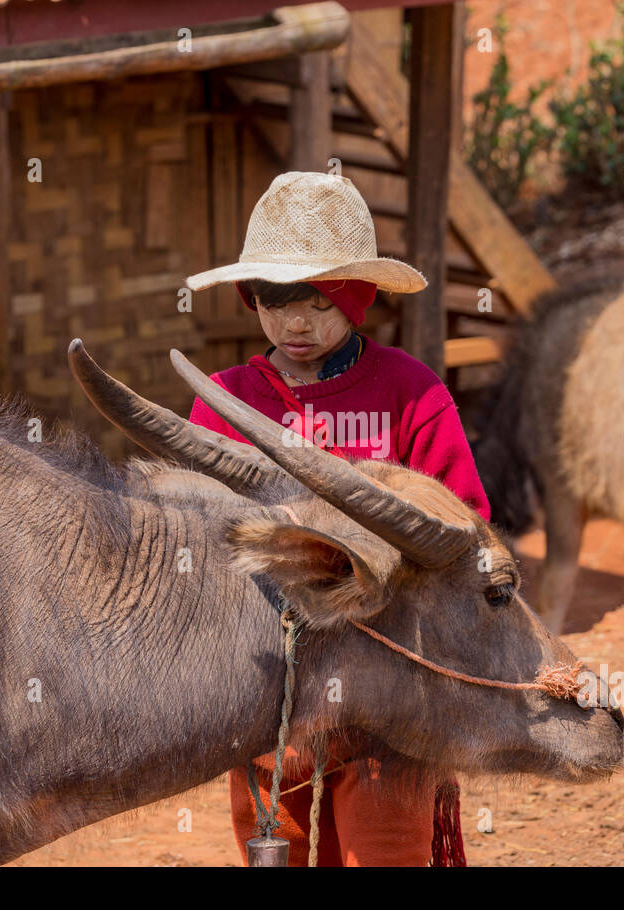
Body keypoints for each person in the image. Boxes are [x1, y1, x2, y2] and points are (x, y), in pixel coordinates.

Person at [184, 170, 489, 866]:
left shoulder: (412, 393)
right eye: (274, 301)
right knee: (278, 851)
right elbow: (197, 532)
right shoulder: (223, 404)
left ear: (358, 299)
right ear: (251, 298)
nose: (295, 324)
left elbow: (465, 522)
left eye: (318, 303)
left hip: (393, 694)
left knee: (388, 853)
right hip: (268, 691)